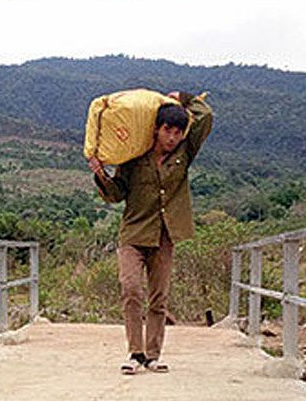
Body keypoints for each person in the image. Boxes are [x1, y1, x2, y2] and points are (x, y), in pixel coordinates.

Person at [89, 92, 214, 375]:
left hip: (164, 236)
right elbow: (116, 194)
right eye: (168, 130)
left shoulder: (185, 153)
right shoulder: (134, 156)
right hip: (134, 233)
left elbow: (206, 116)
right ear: (156, 129)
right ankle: (135, 353)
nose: (172, 137)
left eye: (178, 132)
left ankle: (153, 356)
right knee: (131, 289)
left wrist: (182, 97)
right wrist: (101, 174)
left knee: (159, 297)